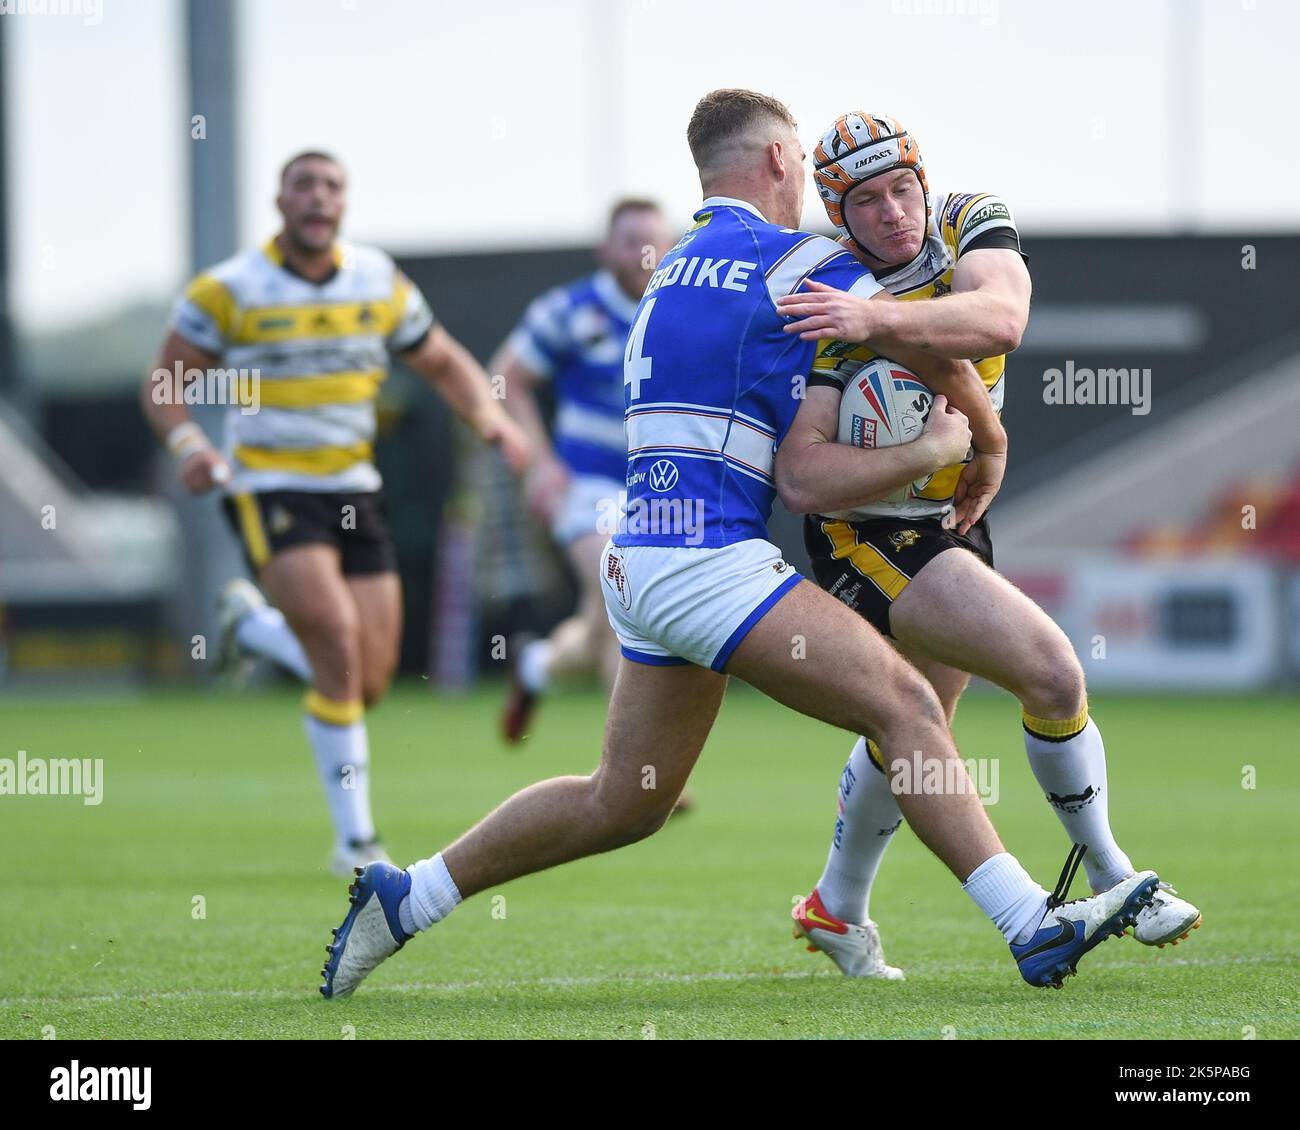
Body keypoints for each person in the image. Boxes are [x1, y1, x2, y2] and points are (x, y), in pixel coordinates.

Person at [319, 91, 1158, 1000]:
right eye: (799, 161)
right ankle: (1030, 921)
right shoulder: (795, 260)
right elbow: (954, 346)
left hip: (636, 559)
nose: (807, 180)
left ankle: (407, 897)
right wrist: (979, 444)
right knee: (908, 707)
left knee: (625, 800)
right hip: (707, 559)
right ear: (774, 163)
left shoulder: (670, 268)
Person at [774, 111, 1200, 977]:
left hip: (952, 517)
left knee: (918, 723)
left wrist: (886, 330)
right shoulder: (827, 285)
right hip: (870, 533)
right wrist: (938, 442)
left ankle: (835, 905)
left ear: (925, 182)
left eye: (903, 188)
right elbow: (805, 480)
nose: (893, 212)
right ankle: (1117, 874)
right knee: (1050, 670)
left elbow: (1000, 320)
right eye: (867, 201)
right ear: (835, 212)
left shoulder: (972, 220)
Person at [143, 151, 530, 876]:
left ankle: (252, 626)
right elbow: (164, 381)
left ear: (343, 203)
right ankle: (356, 842)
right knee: (336, 644)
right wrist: (191, 444)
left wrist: (493, 421)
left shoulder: (376, 280)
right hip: (269, 487)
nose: (318, 198)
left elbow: (443, 361)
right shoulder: (230, 288)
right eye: (304, 186)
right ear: (280, 201)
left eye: (331, 187)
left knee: (367, 679)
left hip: (355, 491)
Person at [495, 199, 674, 742]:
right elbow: (505, 378)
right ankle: (634, 764)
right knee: (622, 585)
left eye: (654, 241)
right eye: (630, 240)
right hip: (587, 484)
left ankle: (537, 666)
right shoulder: (571, 309)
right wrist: (539, 464)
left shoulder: (679, 309)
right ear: (604, 250)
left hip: (660, 490)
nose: (644, 252)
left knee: (601, 622)